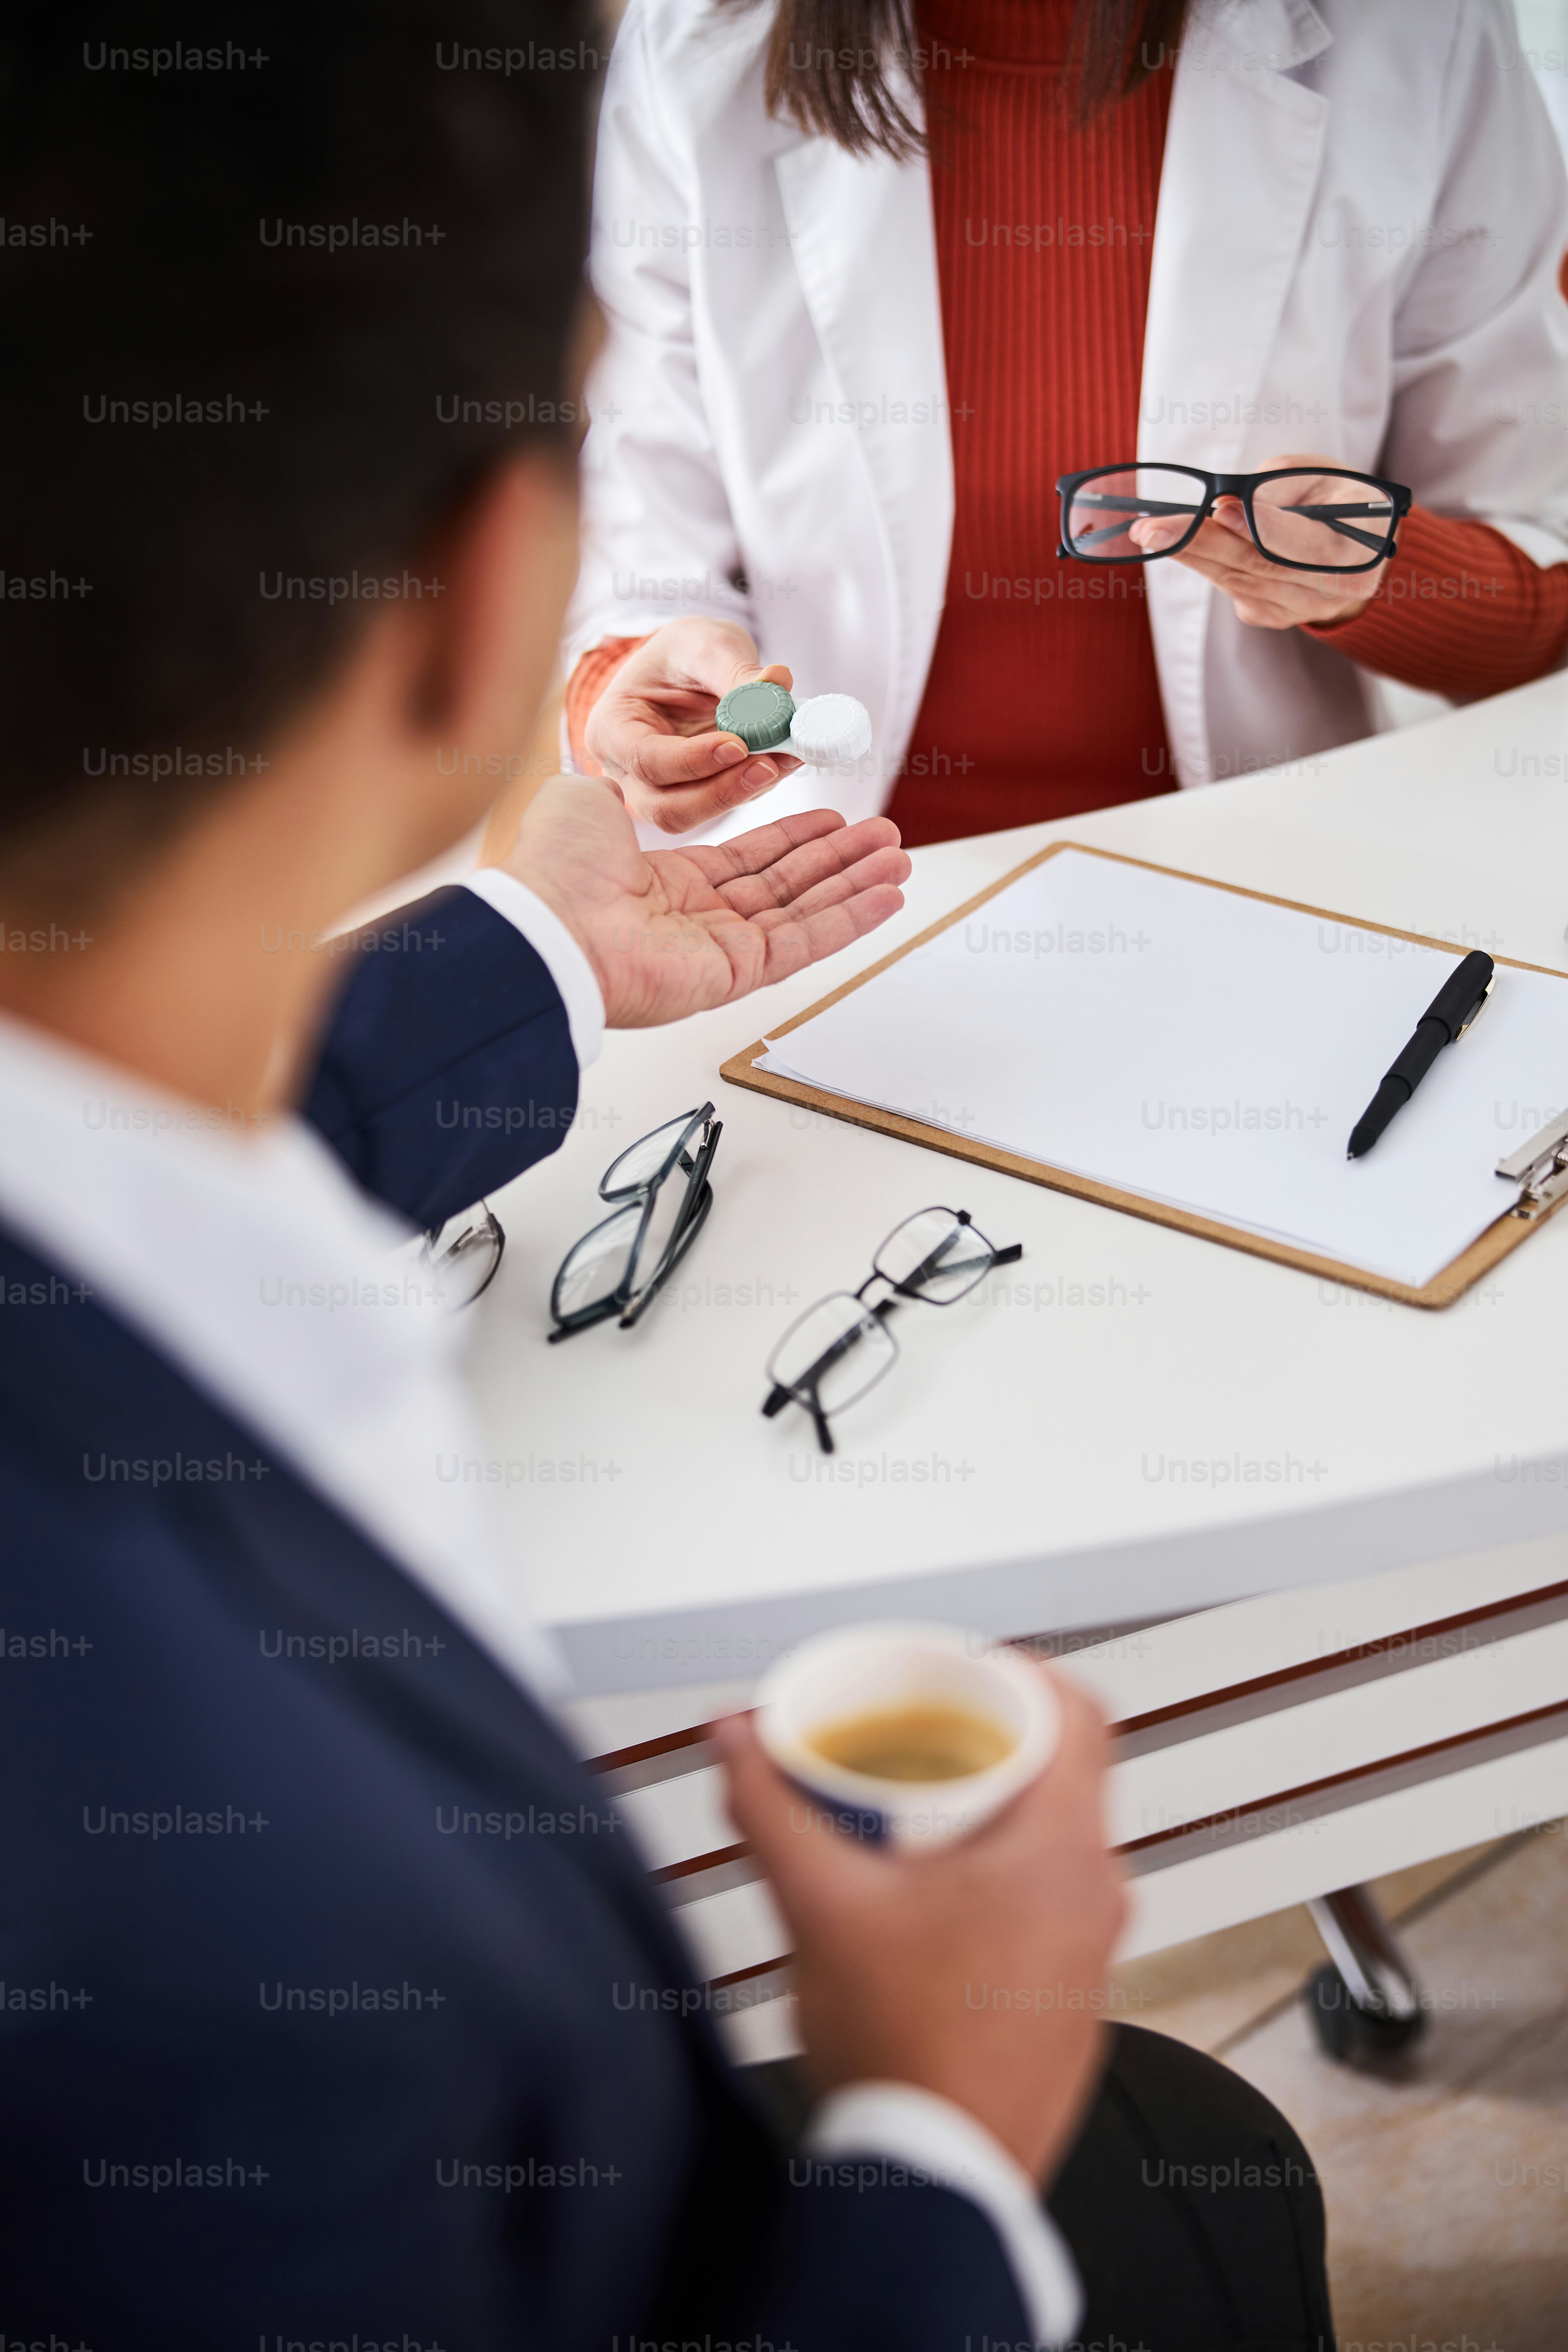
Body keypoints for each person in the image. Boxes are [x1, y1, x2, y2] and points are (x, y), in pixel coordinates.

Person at [0, 8, 1332, 2347]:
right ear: (500, 607)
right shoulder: (231, 1956)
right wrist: (937, 2122)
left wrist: (527, 954)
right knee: (1195, 2154)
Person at [565, 0, 1568, 846]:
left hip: (1263, 869)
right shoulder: (693, 45)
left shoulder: (1423, 36)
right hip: (812, 885)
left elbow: (1542, 591)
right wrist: (622, 695)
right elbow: (640, 547)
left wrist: (1377, 579)